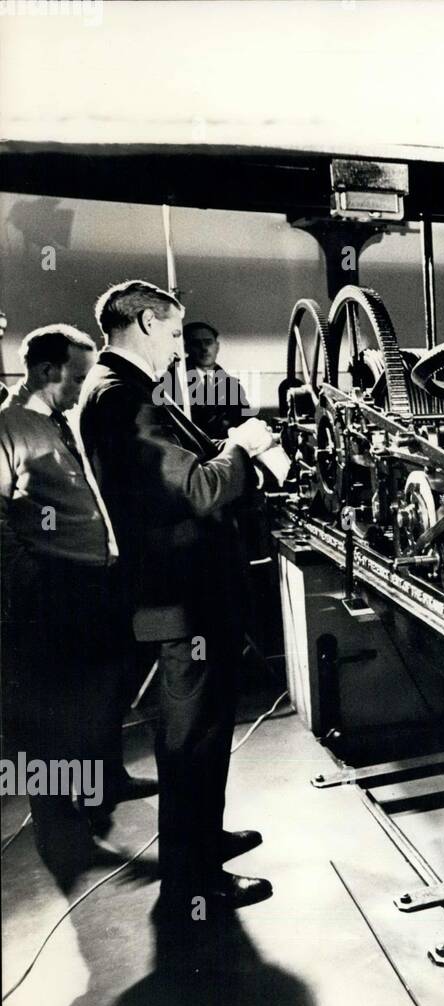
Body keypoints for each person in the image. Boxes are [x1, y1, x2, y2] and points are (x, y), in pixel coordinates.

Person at [79, 280, 280, 918]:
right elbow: (194, 489)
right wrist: (243, 449)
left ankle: (202, 843)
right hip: (183, 599)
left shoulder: (126, 393)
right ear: (142, 323)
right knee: (191, 742)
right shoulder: (119, 399)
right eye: (171, 334)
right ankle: (190, 886)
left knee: (202, 735)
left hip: (185, 594)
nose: (177, 350)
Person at [0, 325, 157, 886]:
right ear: (46, 372)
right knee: (51, 713)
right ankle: (58, 830)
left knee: (103, 691)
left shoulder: (58, 423)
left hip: (94, 582)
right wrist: (32, 573)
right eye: (78, 375)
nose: (84, 385)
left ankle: (108, 780)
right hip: (54, 591)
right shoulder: (9, 427)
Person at [182, 321, 249, 439]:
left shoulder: (231, 384)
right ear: (186, 348)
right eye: (196, 344)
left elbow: (245, 421)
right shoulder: (174, 381)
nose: (204, 348)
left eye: (208, 342)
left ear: (217, 346)